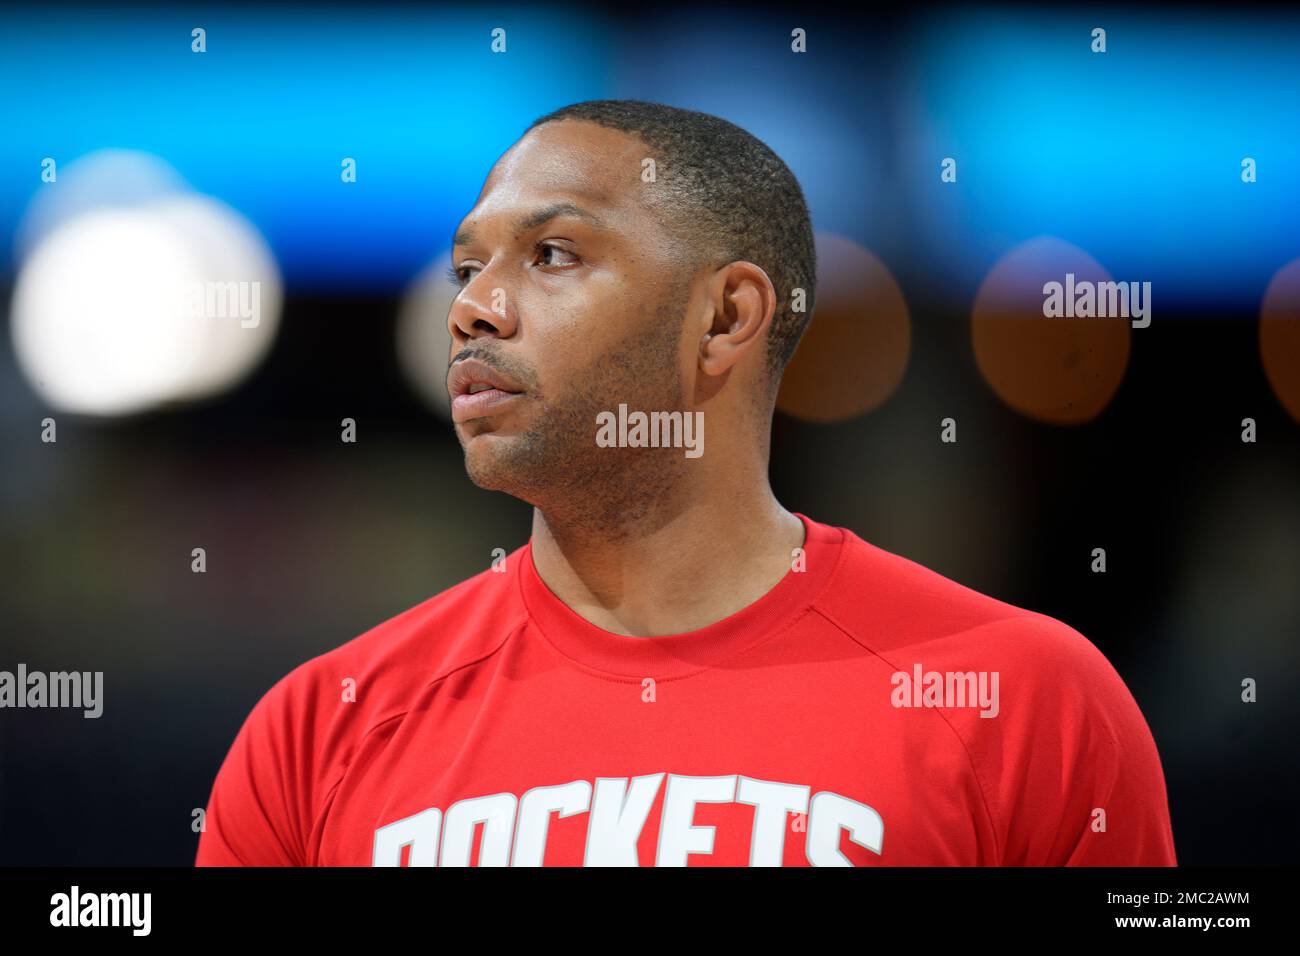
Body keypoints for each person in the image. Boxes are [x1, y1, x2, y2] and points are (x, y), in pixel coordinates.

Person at [196, 100, 1176, 866]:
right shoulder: (315, 731)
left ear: (724, 316)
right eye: (466, 266)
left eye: (551, 254)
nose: (473, 308)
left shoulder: (1029, 701)